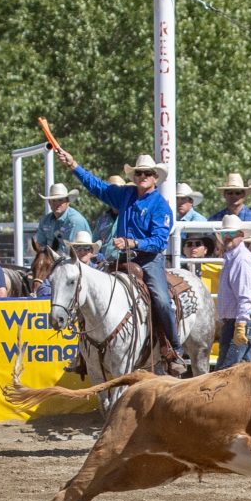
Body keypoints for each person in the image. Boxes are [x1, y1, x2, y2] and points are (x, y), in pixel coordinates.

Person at [54, 148, 182, 371]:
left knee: (161, 300)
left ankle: (173, 348)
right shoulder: (126, 194)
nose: (142, 176)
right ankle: (84, 353)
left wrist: (133, 243)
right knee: (91, 293)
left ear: (155, 177)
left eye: (147, 173)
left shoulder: (160, 206)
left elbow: (160, 241)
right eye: (139, 173)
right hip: (122, 258)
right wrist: (74, 165)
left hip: (149, 260)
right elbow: (97, 186)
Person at [212, 217, 251, 369]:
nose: (227, 236)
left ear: (241, 235)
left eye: (231, 233)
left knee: (226, 372)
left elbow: (244, 296)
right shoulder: (235, 258)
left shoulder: (241, 260)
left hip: (241, 321)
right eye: (224, 233)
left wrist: (240, 324)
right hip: (241, 320)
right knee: (239, 372)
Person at [32, 183, 92, 253]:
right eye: (53, 200)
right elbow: (40, 246)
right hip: (52, 258)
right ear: (49, 203)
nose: (57, 204)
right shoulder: (45, 221)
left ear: (67, 202)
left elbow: (73, 251)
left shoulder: (75, 221)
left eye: (60, 200)